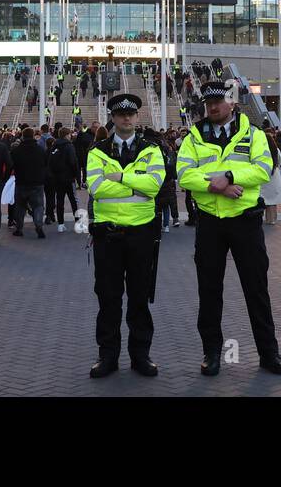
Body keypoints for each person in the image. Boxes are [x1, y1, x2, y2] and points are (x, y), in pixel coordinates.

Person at [176, 81, 281, 376]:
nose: (212, 107)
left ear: (232, 103)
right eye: (208, 102)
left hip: (245, 221)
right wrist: (218, 187)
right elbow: (185, 174)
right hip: (210, 222)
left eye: (218, 101)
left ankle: (269, 353)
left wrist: (228, 174)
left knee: (257, 289)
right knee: (209, 291)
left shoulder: (252, 134)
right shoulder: (194, 137)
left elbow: (263, 168)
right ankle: (211, 353)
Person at [86, 94, 164, 378]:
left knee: (139, 297)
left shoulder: (151, 149)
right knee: (108, 297)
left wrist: (118, 179)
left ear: (137, 118)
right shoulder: (97, 151)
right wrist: (135, 186)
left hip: (141, 234)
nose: (126, 119)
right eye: (120, 115)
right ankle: (107, 356)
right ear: (113, 118)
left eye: (130, 114)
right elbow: (95, 187)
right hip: (107, 235)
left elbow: (154, 185)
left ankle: (140, 356)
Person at [10, 127, 48, 239]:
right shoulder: (40, 150)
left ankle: (19, 228)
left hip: (21, 181)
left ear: (22, 136)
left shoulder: (16, 151)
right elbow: (45, 164)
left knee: (20, 206)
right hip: (37, 182)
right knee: (38, 206)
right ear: (33, 136)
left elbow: (12, 165)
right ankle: (38, 225)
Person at [49, 127, 80, 233]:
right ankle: (77, 222)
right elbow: (73, 161)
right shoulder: (69, 146)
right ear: (67, 135)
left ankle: (61, 224)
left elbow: (50, 162)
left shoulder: (54, 146)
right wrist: (76, 175)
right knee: (73, 201)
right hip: (68, 177)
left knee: (60, 200)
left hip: (57, 177)